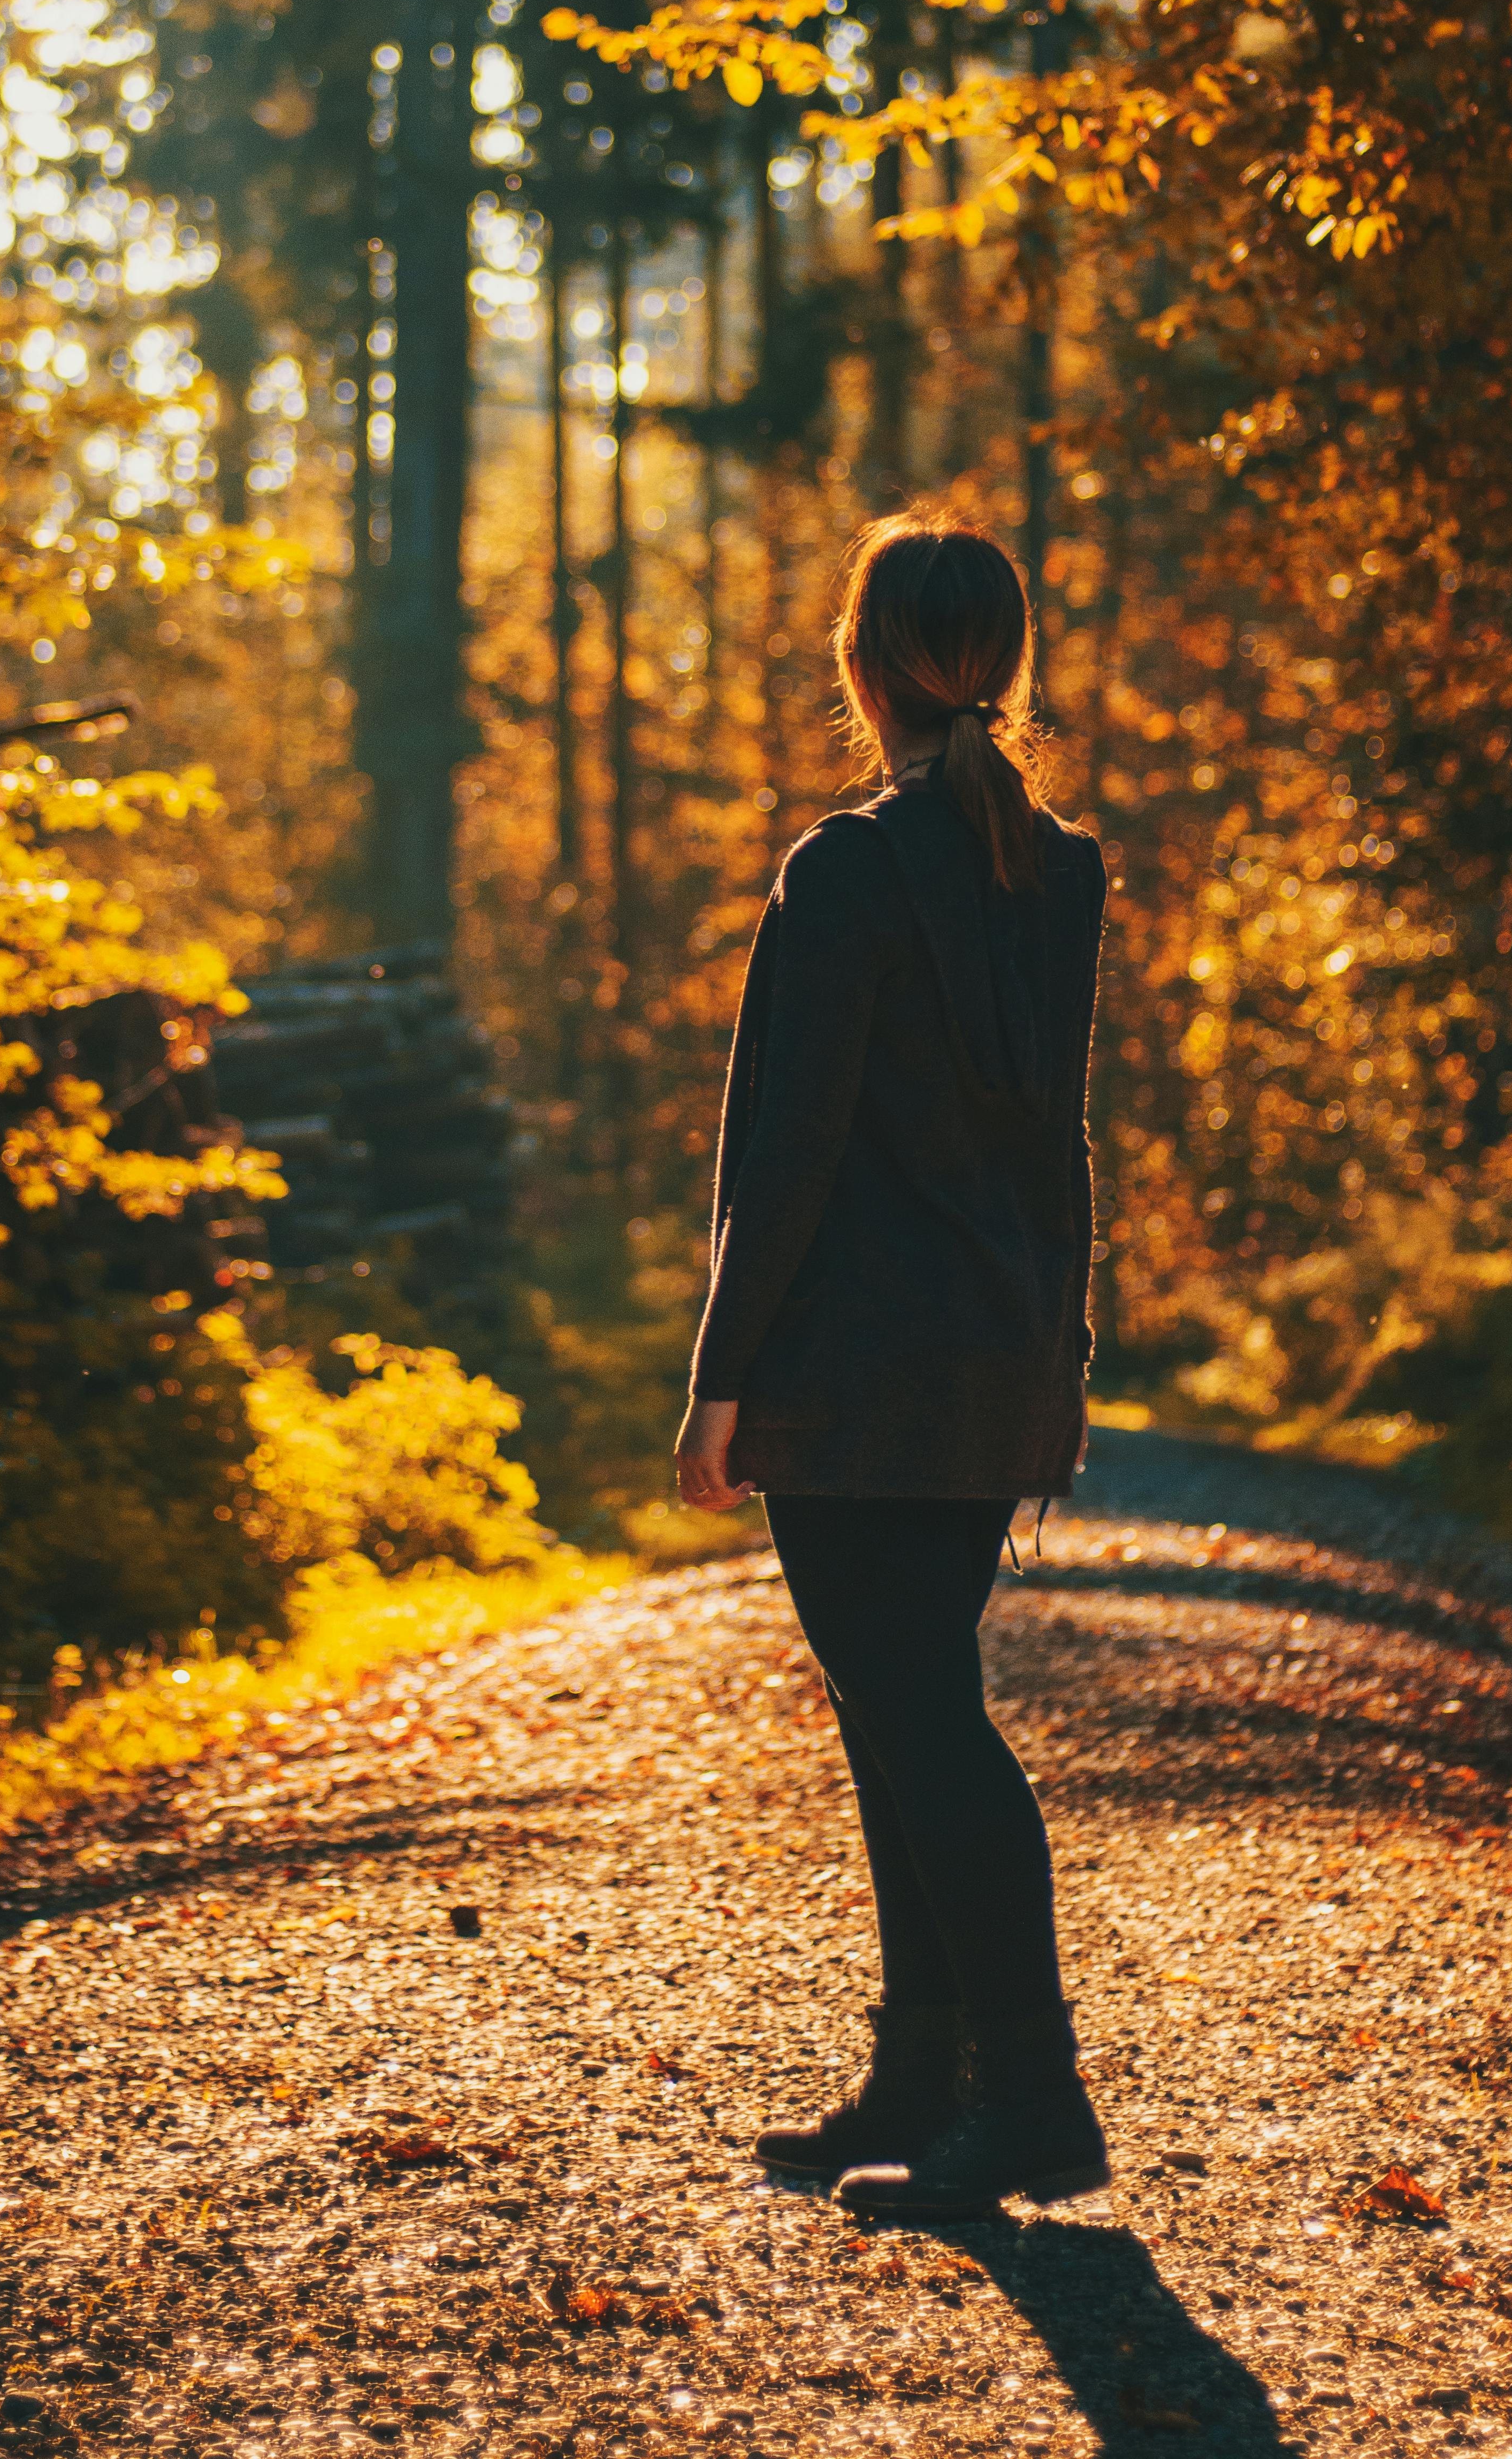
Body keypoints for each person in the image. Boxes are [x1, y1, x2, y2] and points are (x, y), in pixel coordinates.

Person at [675, 507, 1111, 2222]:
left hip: (856, 1371)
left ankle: (1035, 2094)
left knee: (920, 1718)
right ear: (999, 664)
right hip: (993, 1352)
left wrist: (724, 1370)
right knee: (902, 1711)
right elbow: (1054, 1139)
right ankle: (927, 2078)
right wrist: (1062, 1354)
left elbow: (791, 1139)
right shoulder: (1054, 864)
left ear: (864, 665)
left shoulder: (847, 868)